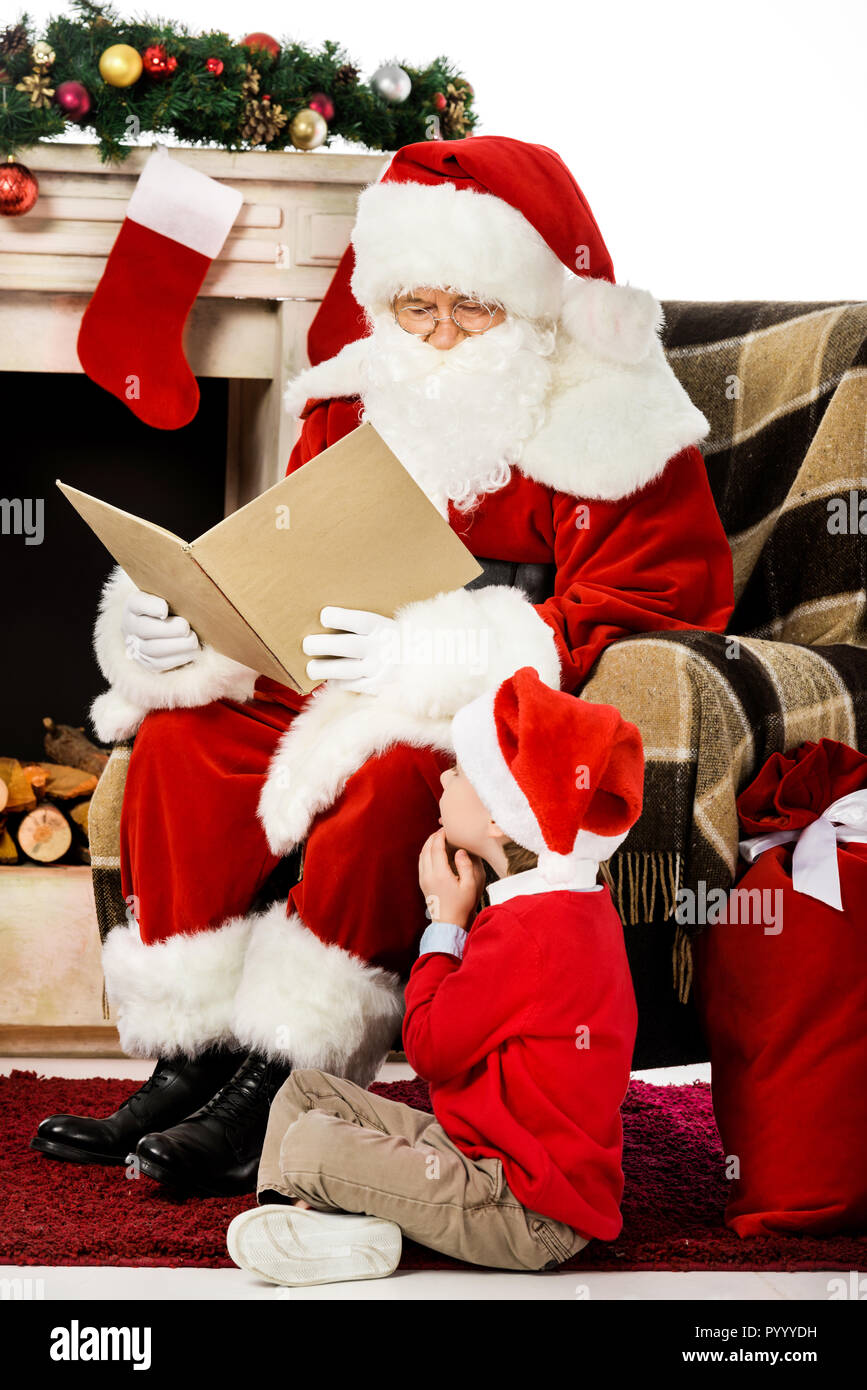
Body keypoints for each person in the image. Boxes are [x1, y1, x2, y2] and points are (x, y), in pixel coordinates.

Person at [32, 135, 734, 1197]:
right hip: (331, 666)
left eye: (472, 309)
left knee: (394, 781)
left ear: (531, 305)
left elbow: (658, 604)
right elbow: (281, 553)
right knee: (186, 736)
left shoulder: (615, 425)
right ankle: (197, 1054)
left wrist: (437, 649)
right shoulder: (351, 398)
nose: (441, 336)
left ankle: (285, 1073)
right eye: (416, 310)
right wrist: (185, 629)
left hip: (494, 698)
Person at [226, 666, 642, 1283]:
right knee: (306, 1092)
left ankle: (329, 1221)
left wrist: (444, 922)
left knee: (311, 1143)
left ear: (500, 820)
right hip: (485, 1156)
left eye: (463, 770)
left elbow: (427, 1049)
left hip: (524, 1210)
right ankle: (317, 1225)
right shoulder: (574, 903)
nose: (444, 775)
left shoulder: (527, 931)